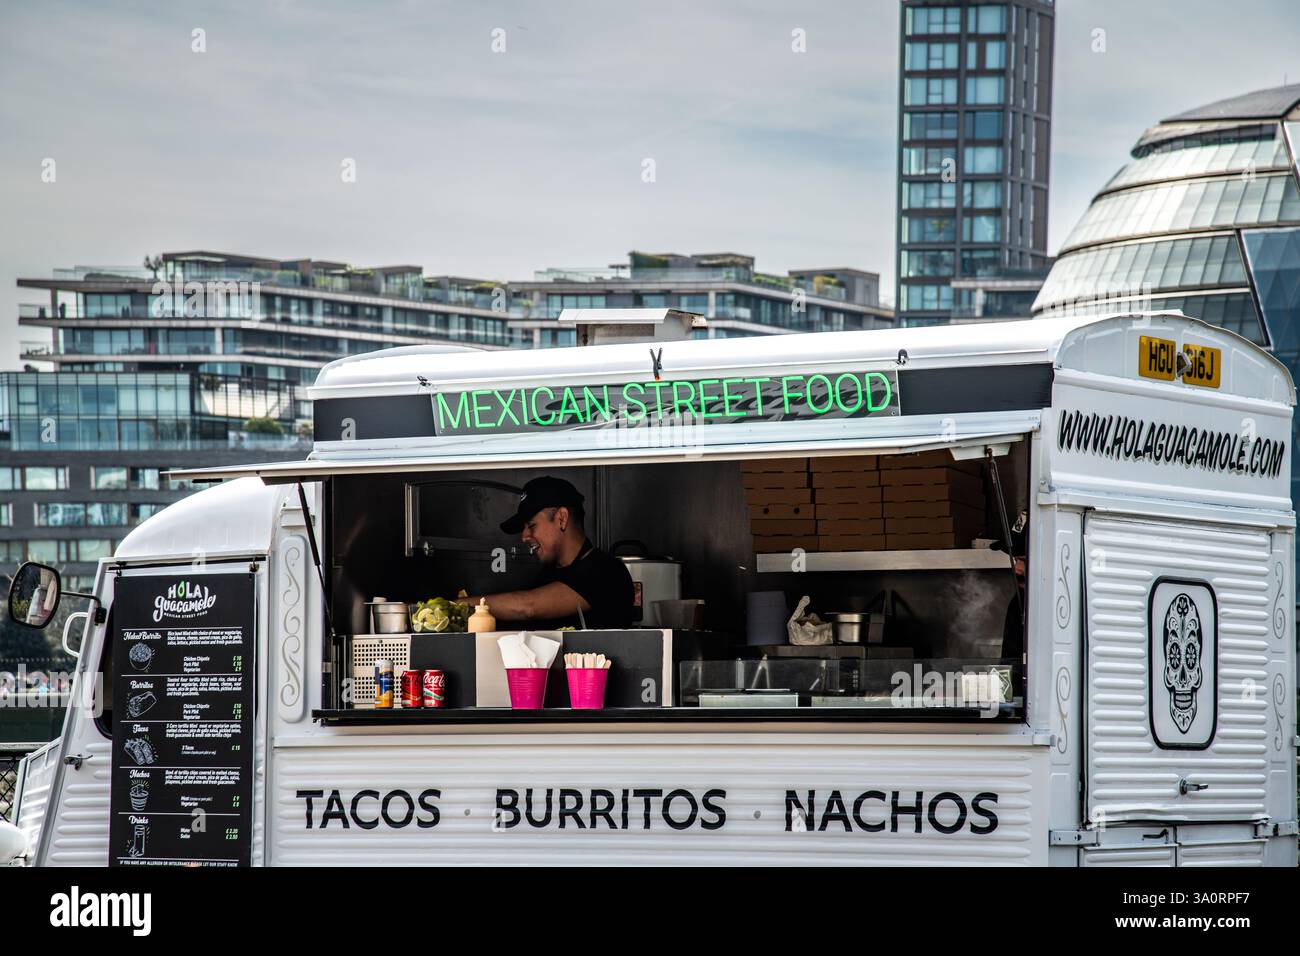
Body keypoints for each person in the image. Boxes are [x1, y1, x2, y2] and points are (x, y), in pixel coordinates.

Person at [466, 476, 635, 629]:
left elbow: (527, 607)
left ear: (562, 518)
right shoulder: (546, 575)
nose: (524, 536)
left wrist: (458, 605)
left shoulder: (607, 572)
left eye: (531, 525)